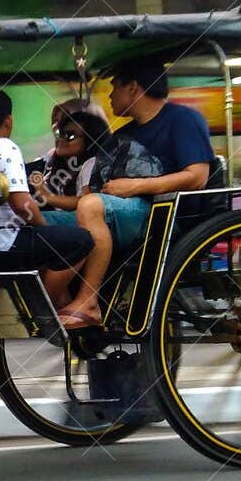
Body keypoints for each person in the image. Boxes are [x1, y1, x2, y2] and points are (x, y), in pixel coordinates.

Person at [35, 109, 166, 327]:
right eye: (59, 133)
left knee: (88, 207)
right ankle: (61, 297)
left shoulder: (91, 163)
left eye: (69, 135)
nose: (62, 139)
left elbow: (83, 200)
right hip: (82, 213)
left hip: (113, 213)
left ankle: (87, 301)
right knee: (39, 223)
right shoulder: (55, 164)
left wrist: (50, 197)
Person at [0, 86, 93, 290]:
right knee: (81, 240)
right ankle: (49, 307)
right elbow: (20, 203)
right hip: (2, 242)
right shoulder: (6, 147)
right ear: (9, 121)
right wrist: (42, 226)